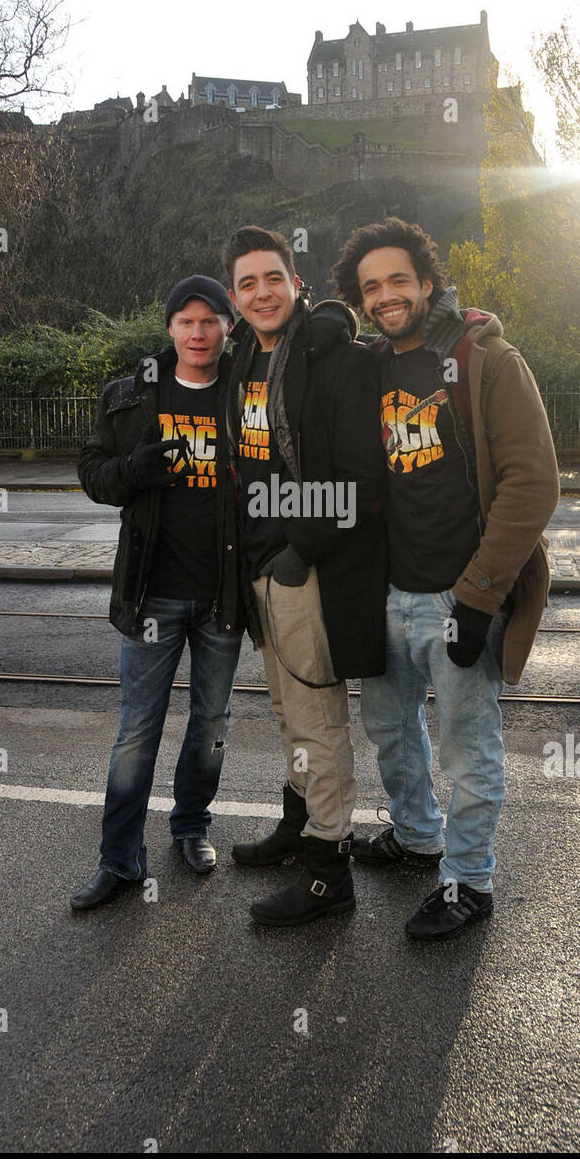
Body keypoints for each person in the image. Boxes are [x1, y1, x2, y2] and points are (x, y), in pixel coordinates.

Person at [332, 217, 559, 940]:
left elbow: (533, 483)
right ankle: (417, 835)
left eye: (399, 279)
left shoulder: (485, 359)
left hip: (458, 595)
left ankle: (468, 882)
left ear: (427, 282)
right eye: (372, 287)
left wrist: (479, 597)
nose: (387, 295)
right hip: (386, 594)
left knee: (468, 748)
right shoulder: (368, 367)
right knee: (390, 732)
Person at [223, 225, 387, 927]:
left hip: (302, 569)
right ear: (235, 296)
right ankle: (299, 825)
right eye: (247, 283)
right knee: (287, 714)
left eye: (272, 278)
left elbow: (360, 479)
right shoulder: (242, 361)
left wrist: (300, 551)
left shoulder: (330, 357)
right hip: (256, 569)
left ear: (296, 282)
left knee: (317, 719)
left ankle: (329, 872)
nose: (262, 293)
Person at [71, 276, 243, 910]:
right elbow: (92, 471)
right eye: (186, 321)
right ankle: (119, 860)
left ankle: (191, 827)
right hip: (153, 596)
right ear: (169, 329)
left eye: (210, 321)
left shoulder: (247, 396)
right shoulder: (132, 396)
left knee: (212, 725)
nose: (198, 332)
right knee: (137, 730)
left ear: (228, 327)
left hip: (222, 595)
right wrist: (131, 473)